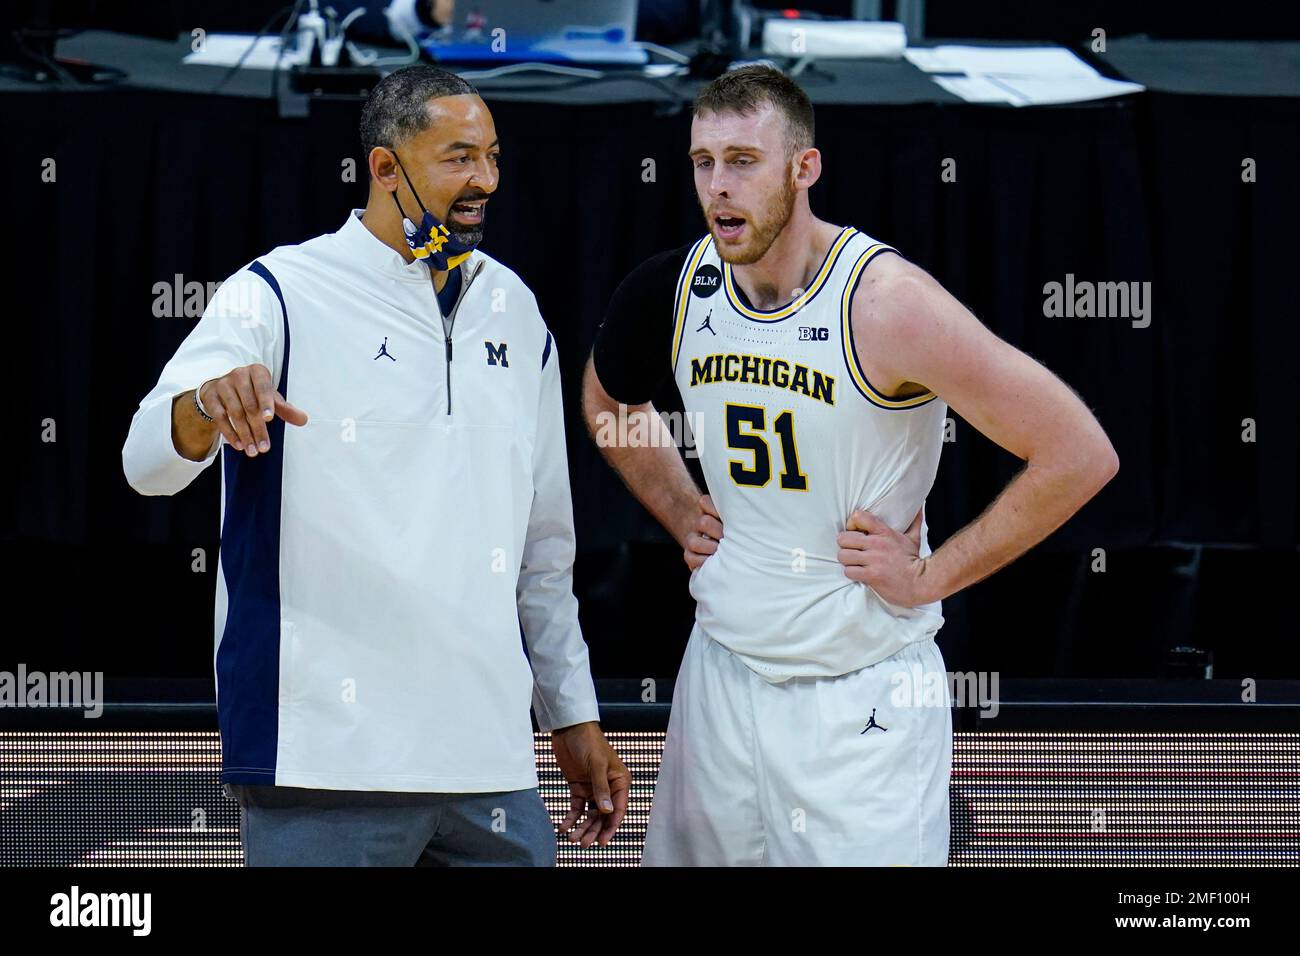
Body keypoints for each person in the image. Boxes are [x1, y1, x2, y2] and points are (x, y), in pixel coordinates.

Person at [583, 64, 1118, 866]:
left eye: (743, 161)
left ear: (805, 168)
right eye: (703, 162)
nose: (719, 187)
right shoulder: (676, 287)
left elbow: (1079, 453)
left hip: (859, 696)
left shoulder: (887, 305)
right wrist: (679, 504)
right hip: (720, 681)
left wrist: (931, 576)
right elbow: (607, 398)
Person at [122, 65, 628, 866]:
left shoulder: (515, 307)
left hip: (491, 763)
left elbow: (544, 546)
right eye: (459, 157)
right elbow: (144, 461)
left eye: (493, 156)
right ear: (384, 167)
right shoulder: (278, 292)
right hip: (326, 757)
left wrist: (571, 713)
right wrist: (205, 406)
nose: (485, 181)